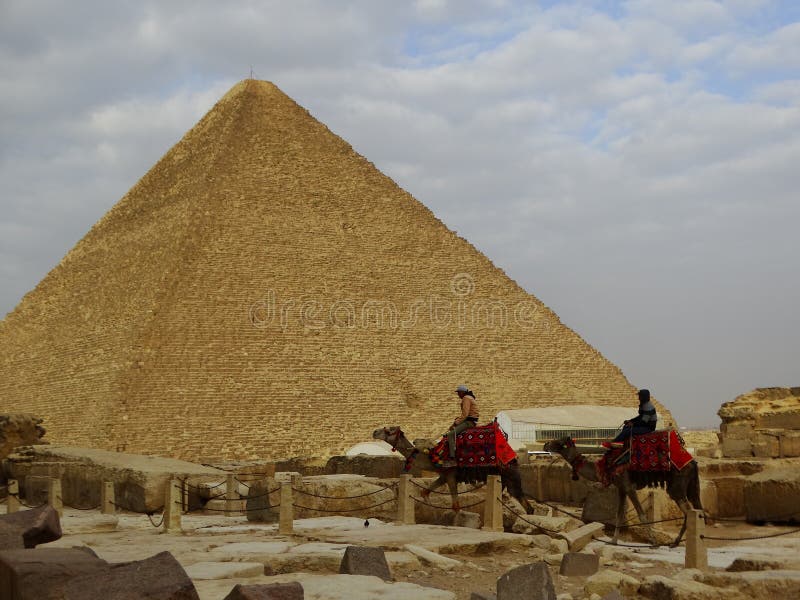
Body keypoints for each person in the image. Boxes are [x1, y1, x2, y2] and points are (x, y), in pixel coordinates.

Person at [447, 385, 480, 459]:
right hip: (470, 421)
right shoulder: (469, 397)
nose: (458, 394)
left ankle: (452, 457)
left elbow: (465, 414)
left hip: (469, 422)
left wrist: (456, 423)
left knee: (450, 435)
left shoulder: (466, 398)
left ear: (462, 392)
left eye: (458, 393)